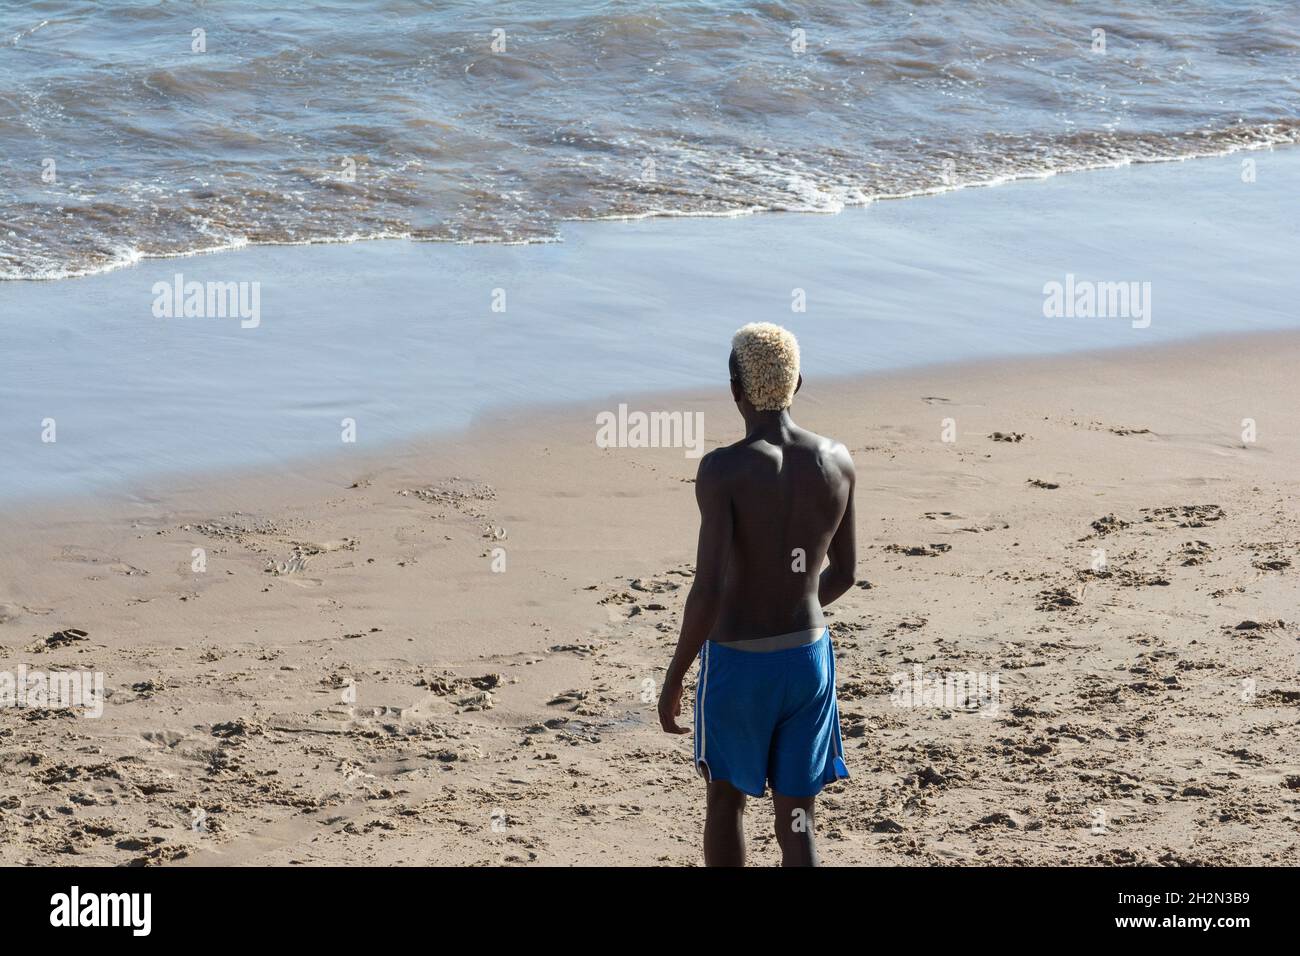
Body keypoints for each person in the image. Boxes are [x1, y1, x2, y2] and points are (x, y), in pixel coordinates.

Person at [658, 322, 856, 867]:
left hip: (739, 663)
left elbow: (707, 589)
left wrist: (675, 676)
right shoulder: (837, 460)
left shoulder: (724, 470)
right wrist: (789, 600)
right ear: (798, 382)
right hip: (807, 660)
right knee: (798, 819)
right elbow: (844, 573)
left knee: (725, 803)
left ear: (734, 390)